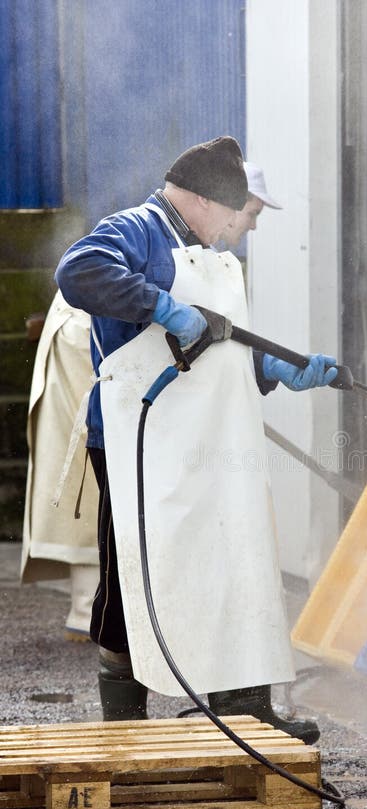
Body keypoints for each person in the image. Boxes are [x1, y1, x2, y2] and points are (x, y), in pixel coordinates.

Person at [55, 136, 337, 744]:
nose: (244, 230)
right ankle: (125, 726)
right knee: (135, 571)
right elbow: (78, 272)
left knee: (233, 557)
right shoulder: (136, 230)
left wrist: (277, 371)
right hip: (139, 443)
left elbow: (221, 351)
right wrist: (162, 306)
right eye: (245, 215)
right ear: (212, 201)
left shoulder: (211, 253)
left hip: (210, 440)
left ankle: (245, 709)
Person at [20, 291, 100, 641]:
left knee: (85, 491)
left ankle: (87, 612)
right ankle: (90, 613)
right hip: (82, 344)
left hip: (78, 332)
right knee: (90, 490)